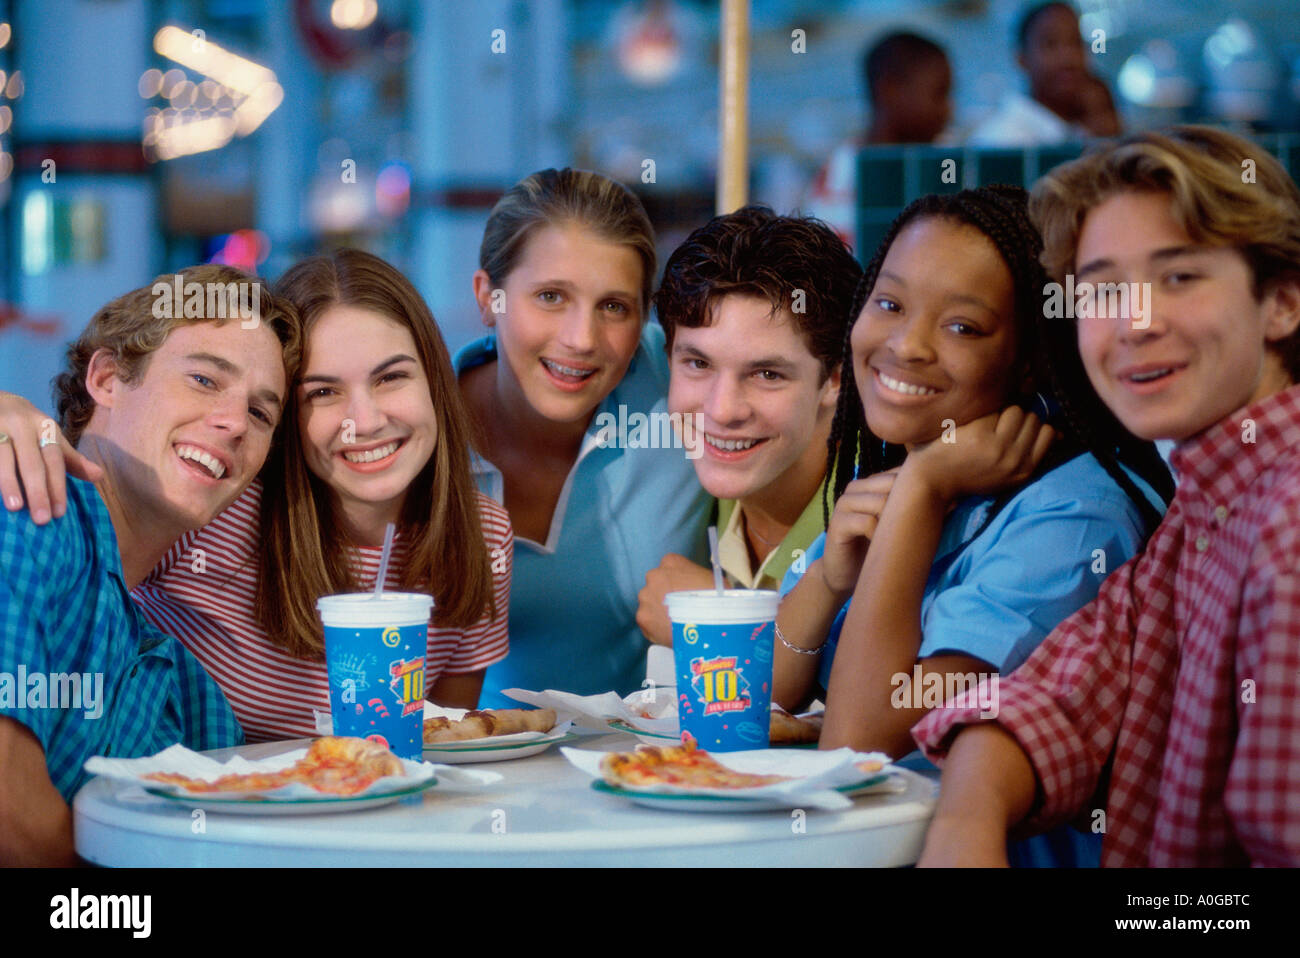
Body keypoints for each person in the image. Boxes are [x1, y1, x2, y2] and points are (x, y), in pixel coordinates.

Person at [915, 127, 1300, 867]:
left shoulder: (1284, 527)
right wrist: (966, 821)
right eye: (1102, 290)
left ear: (1282, 304)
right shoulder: (1208, 508)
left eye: (1180, 277)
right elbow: (1061, 694)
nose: (1135, 322)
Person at [774, 185, 1174, 865]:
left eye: (962, 326)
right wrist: (828, 577)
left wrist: (923, 494)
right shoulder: (910, 472)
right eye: (890, 304)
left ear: (1027, 361)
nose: (907, 345)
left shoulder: (1074, 518)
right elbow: (746, 703)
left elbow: (858, 746)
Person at [2, 251, 513, 744]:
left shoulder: (481, 537)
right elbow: (104, 498)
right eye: (322, 392)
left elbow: (448, 747)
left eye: (392, 377)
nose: (368, 420)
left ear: (436, 385)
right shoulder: (208, 507)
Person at [0, 265, 298, 864]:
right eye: (204, 379)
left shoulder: (185, 693)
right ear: (107, 379)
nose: (236, 423)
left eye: (262, 414)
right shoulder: (28, 508)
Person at [455, 168, 712, 708]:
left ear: (646, 316)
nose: (581, 340)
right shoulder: (417, 434)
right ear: (488, 298)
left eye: (614, 307)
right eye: (550, 296)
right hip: (476, 766)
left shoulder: (689, 387)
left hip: (648, 766)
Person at [636, 206, 861, 646]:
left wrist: (716, 616)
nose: (723, 410)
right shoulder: (674, 488)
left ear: (835, 379)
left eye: (767, 375)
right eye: (698, 363)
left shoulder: (878, 523)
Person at [804, 31, 954, 249]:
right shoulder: (839, 177)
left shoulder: (946, 160)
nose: (948, 110)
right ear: (889, 89)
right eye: (940, 94)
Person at [967, 2, 1092, 147]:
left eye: (1076, 42)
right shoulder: (1005, 139)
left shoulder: (1082, 130)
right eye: (1050, 44)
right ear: (1021, 58)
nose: (1068, 58)